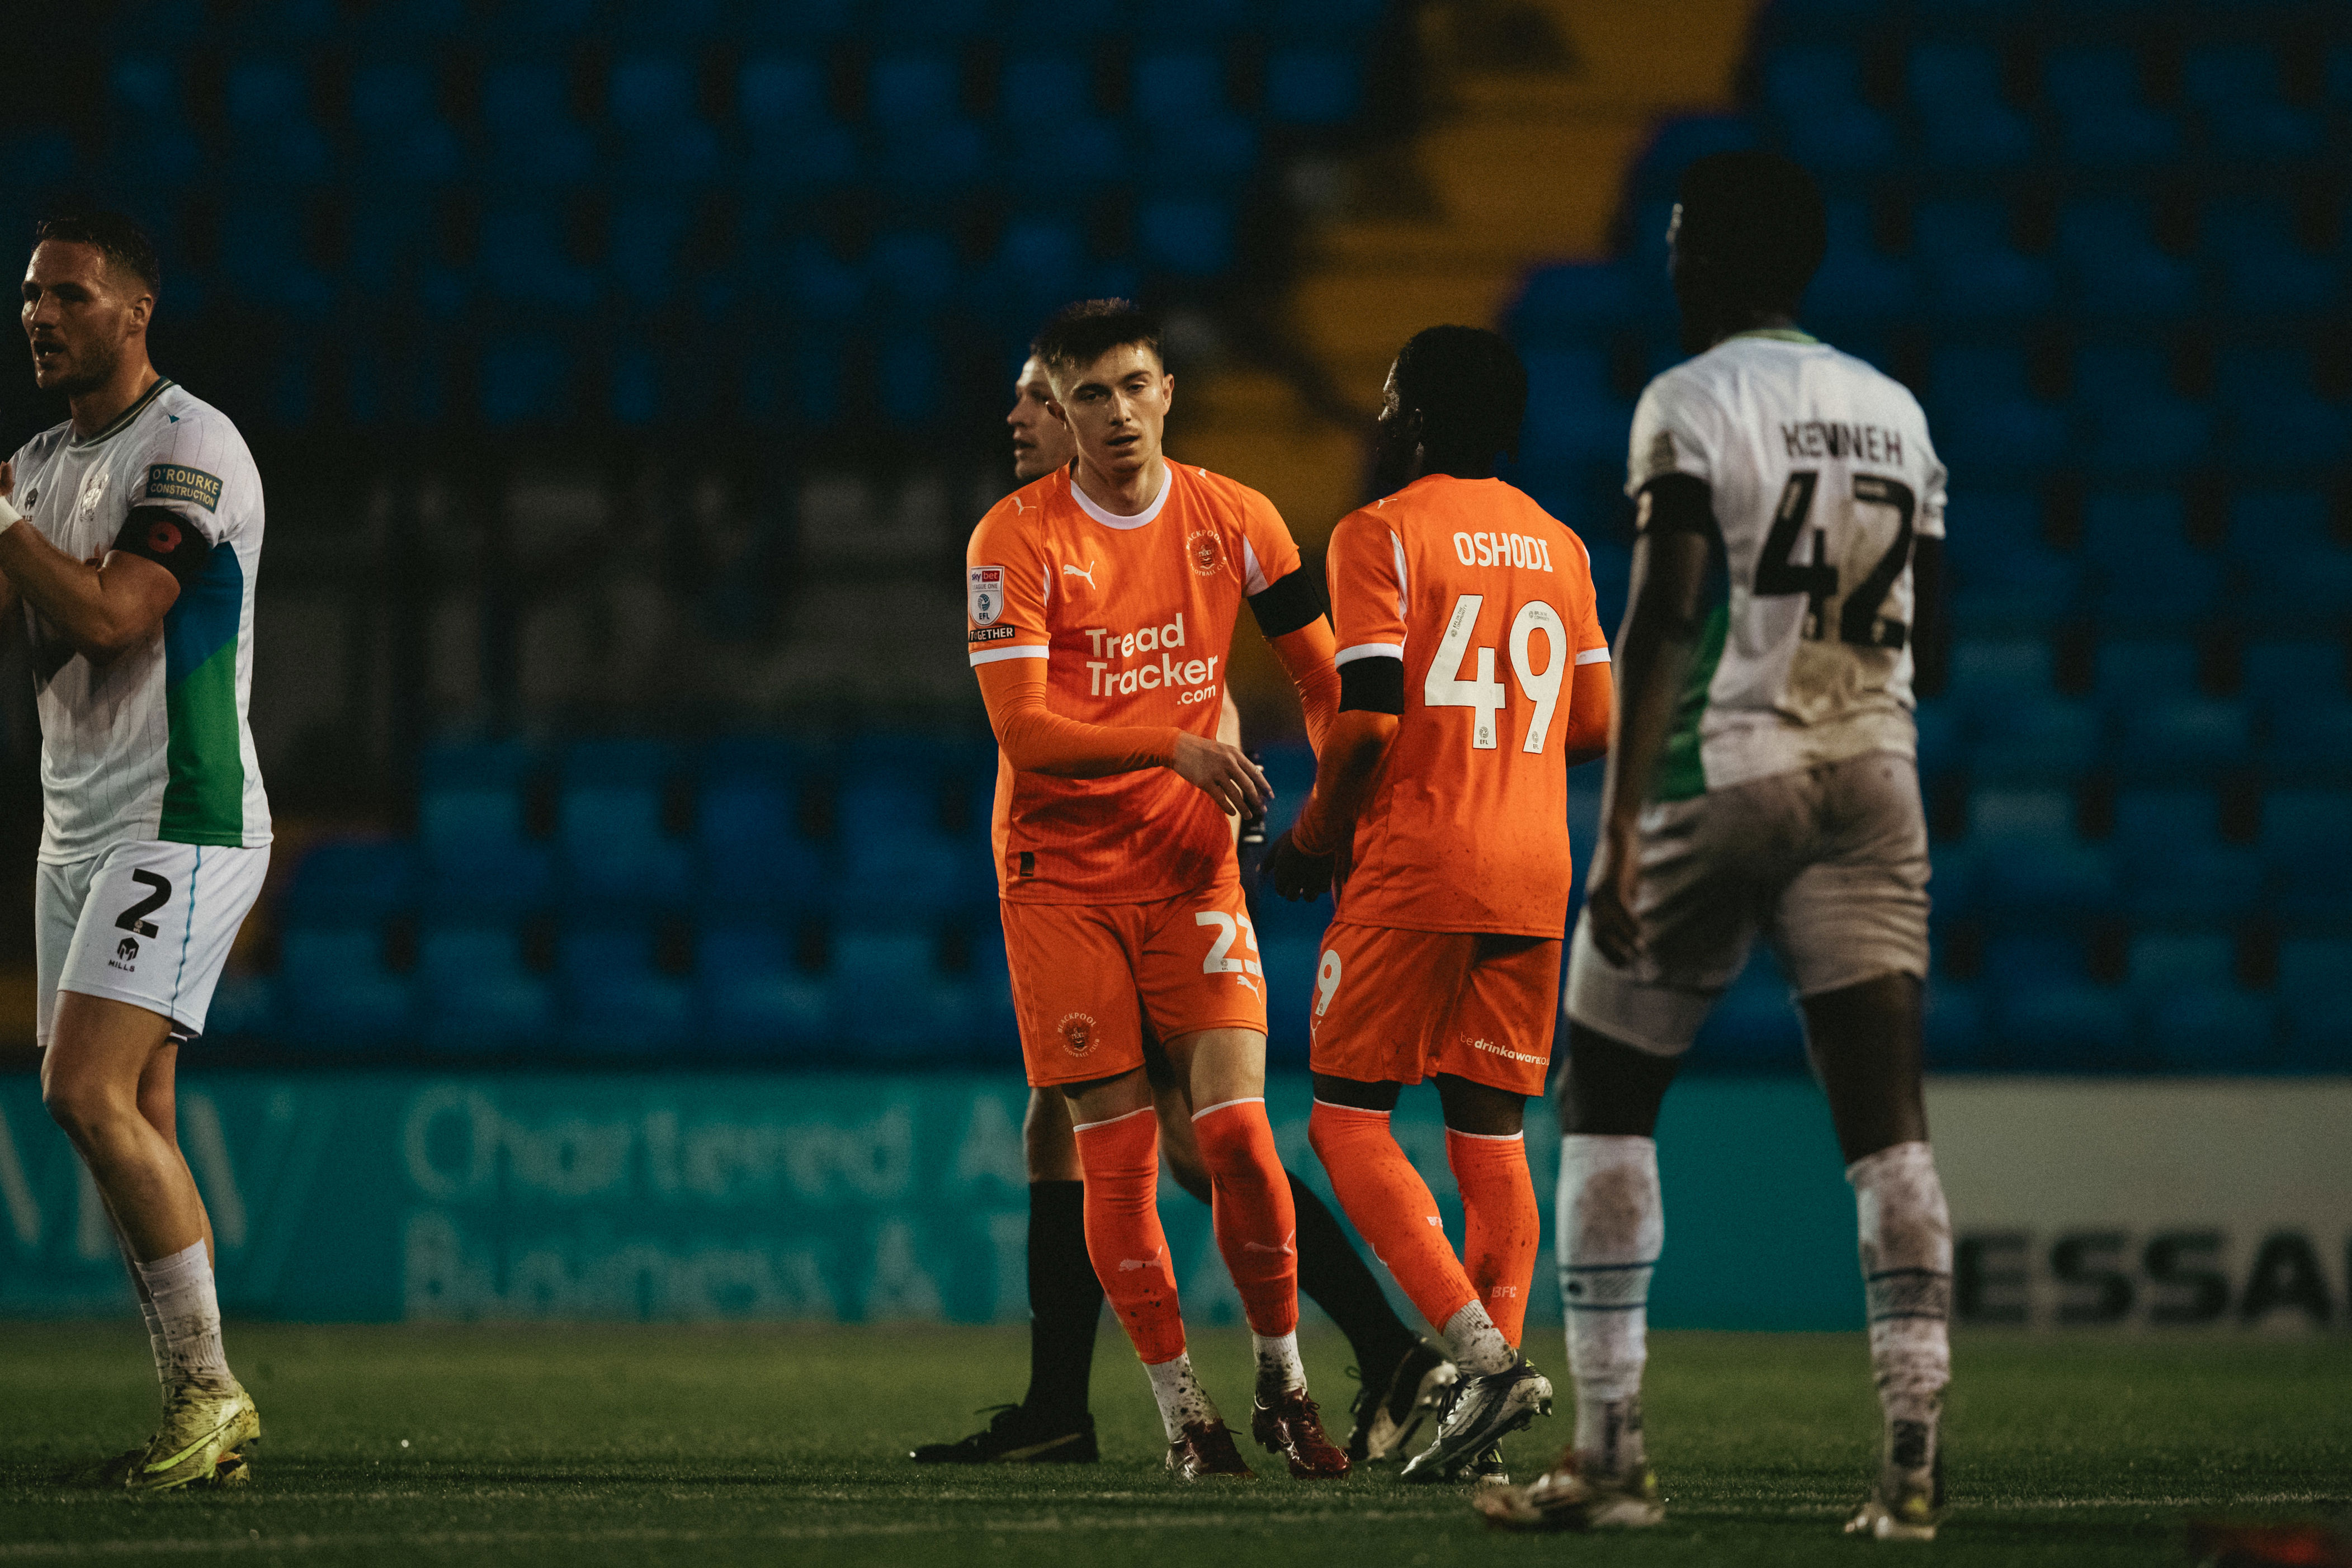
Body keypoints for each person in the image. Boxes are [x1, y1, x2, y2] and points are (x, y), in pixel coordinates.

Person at [1476, 150, 1954, 1538]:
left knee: (1609, 1104)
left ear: (1733, 257)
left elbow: (1664, 615)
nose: (1670, 257)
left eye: (1685, 237)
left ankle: (1612, 1456)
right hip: (1876, 774)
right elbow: (1940, 626)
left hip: (1723, 772)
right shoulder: (1899, 413)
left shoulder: (1689, 402)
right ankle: (1911, 1467)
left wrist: (1620, 827)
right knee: (1892, 1143)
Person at [917, 351, 1451, 1469]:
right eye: (1033, 394)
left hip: (1159, 870)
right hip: (1074, 877)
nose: (1022, 414)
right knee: (1083, 1124)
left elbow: (1295, 670)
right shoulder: (1027, 540)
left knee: (1202, 1143)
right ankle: (1076, 1399)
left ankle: (1372, 1354)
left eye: (1039, 395)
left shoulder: (1194, 519)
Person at [1263, 325, 1612, 1486]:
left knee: (1346, 1122)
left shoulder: (1379, 533)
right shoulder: (1562, 546)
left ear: (1410, 417)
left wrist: (1313, 841)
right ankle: (1482, 1396)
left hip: (1421, 858)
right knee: (1492, 1138)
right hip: (1535, 864)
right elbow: (1599, 724)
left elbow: (1363, 719)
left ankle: (1482, 1362)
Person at [4, 212, 272, 1492]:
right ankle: (195, 1406)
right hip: (77, 827)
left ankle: (216, 1393)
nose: (36, 316)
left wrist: (7, 530)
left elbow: (115, 613)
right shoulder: (41, 460)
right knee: (134, 1110)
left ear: (132, 312)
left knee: (80, 1090)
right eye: (27, 296)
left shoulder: (191, 446)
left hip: (185, 812)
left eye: (66, 294)